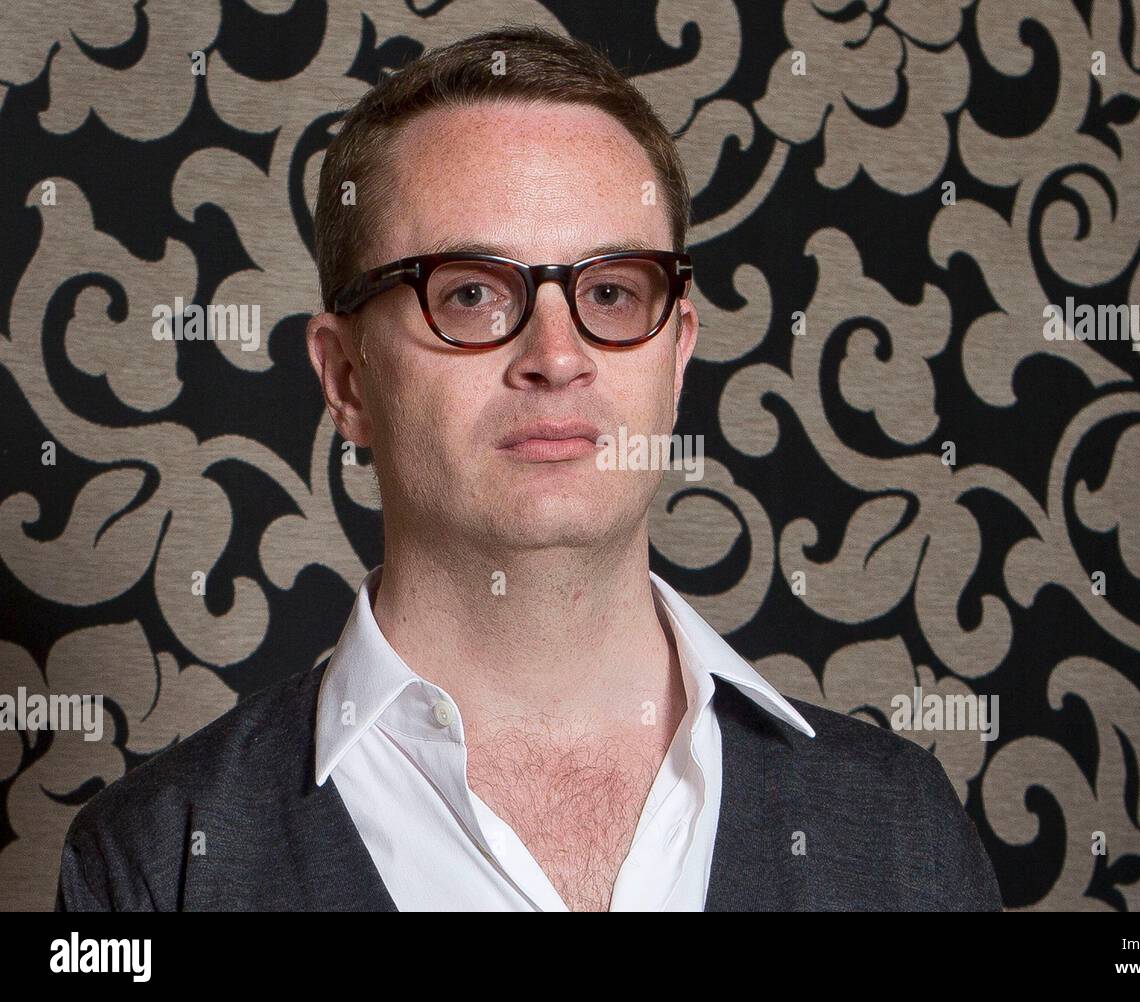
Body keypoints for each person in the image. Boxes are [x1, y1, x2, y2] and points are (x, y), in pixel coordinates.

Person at [55, 23, 1001, 912]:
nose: (557, 353)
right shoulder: (153, 866)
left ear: (675, 357)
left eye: (612, 291)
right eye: (470, 293)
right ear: (346, 379)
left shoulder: (901, 834)